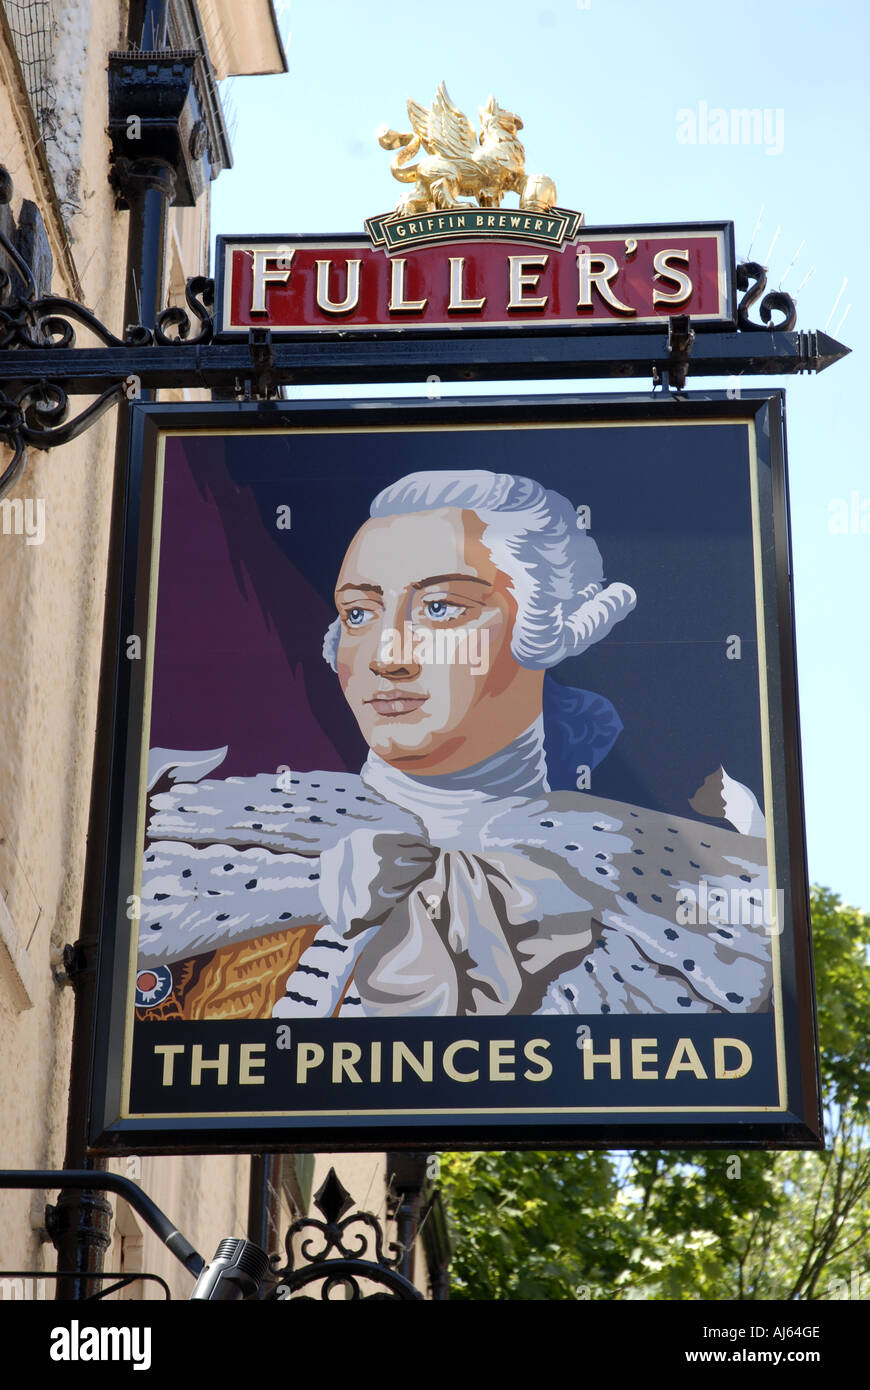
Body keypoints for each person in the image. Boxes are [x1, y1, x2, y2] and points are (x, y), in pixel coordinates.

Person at [137, 470, 772, 1020]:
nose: (387, 656)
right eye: (359, 615)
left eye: (440, 608)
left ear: (547, 627)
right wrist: (309, 898)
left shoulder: (688, 883)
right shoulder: (211, 828)